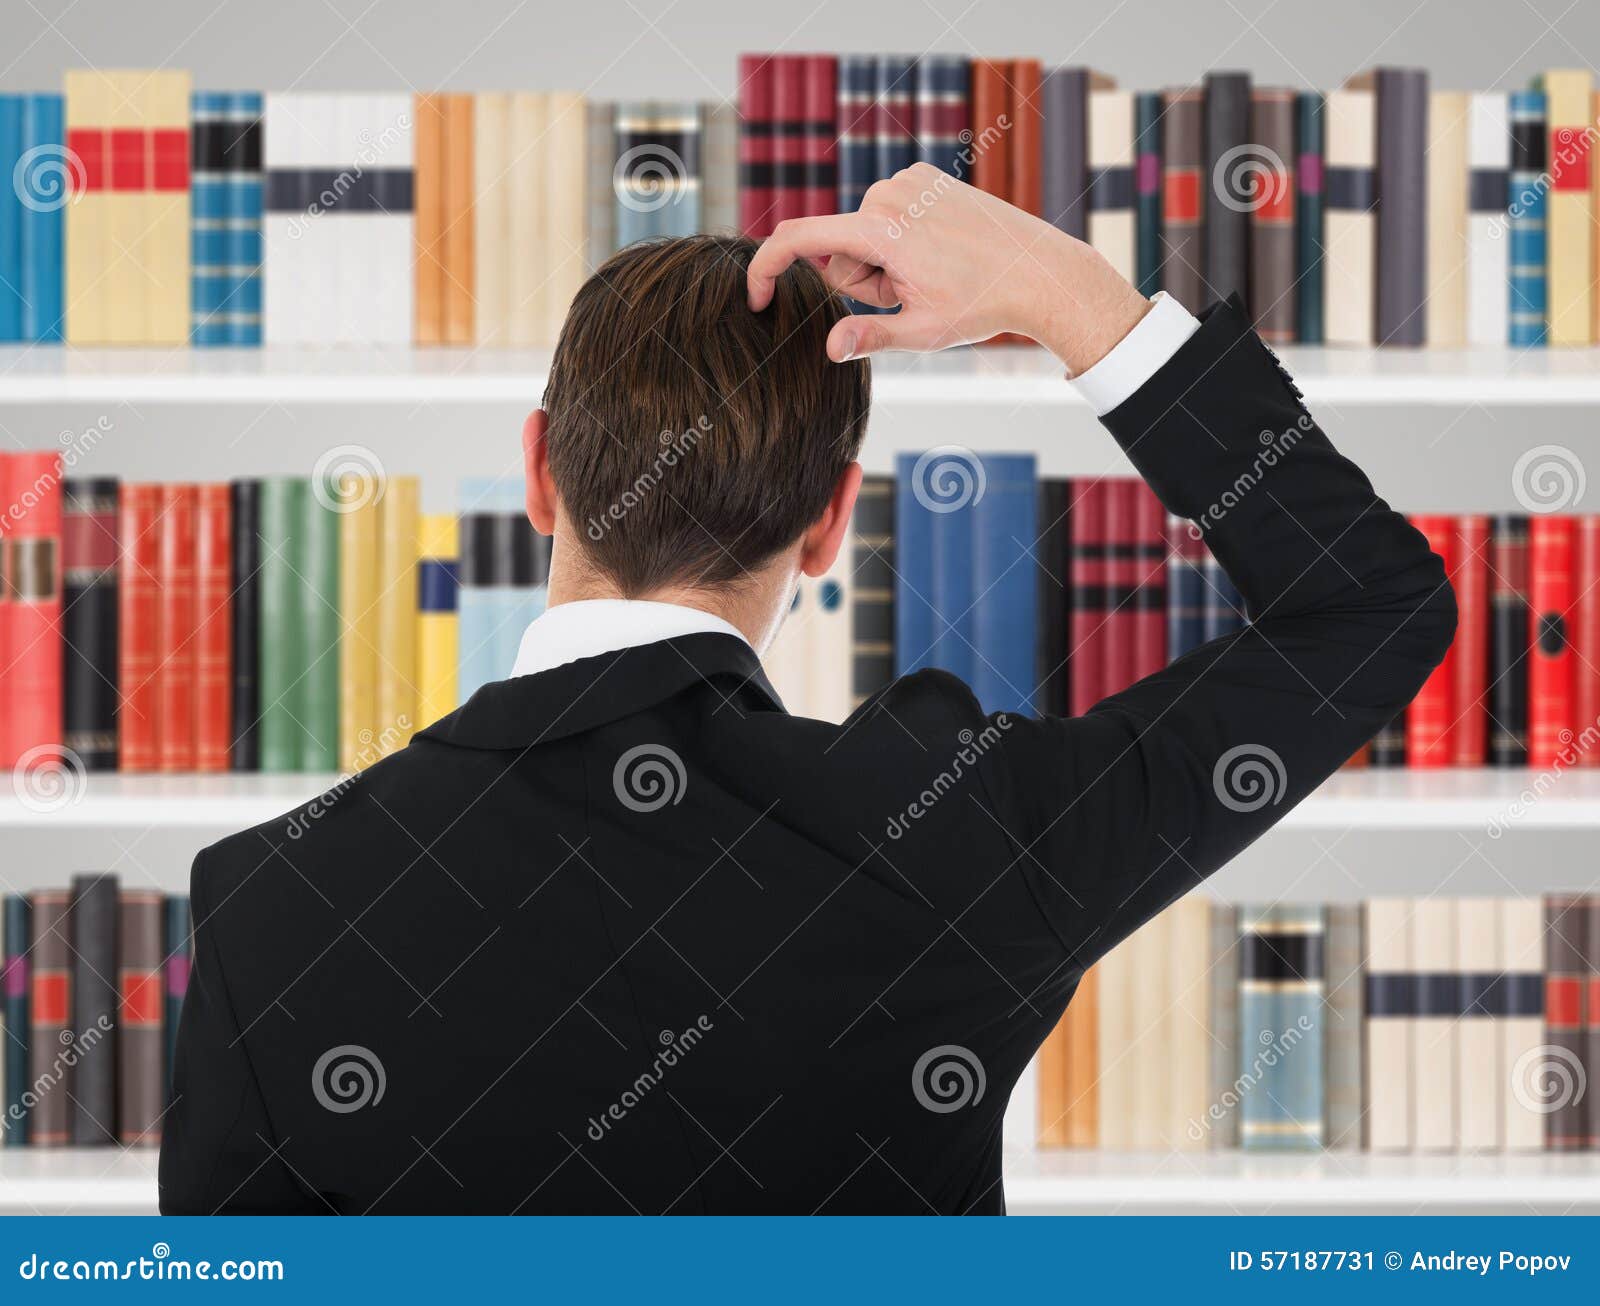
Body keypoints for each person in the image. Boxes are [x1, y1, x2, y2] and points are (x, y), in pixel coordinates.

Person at [160, 165, 1454, 1214]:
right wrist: (1065, 292)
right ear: (834, 519)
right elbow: (1367, 606)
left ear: (539, 474)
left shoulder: (269, 903)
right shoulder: (961, 835)